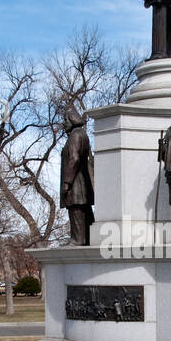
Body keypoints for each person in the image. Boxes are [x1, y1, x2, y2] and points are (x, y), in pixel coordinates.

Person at [60, 104, 94, 245]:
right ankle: (87, 238)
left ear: (72, 120)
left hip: (76, 182)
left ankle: (77, 239)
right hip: (81, 182)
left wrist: (67, 182)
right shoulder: (82, 134)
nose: (63, 123)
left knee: (76, 208)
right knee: (84, 210)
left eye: (65, 120)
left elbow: (74, 158)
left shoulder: (76, 134)